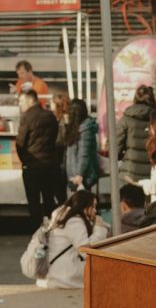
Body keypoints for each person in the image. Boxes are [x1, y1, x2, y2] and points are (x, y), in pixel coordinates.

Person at [37, 190, 109, 289]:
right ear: (82, 206)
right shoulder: (74, 222)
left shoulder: (65, 217)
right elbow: (86, 251)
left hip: (58, 269)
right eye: (92, 207)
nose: (95, 211)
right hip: (66, 274)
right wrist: (100, 228)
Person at [15, 89, 59, 227]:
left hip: (32, 166)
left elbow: (20, 143)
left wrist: (26, 161)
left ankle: (37, 231)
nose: (20, 104)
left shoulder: (27, 117)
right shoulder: (50, 116)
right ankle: (52, 229)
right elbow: (55, 138)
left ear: (30, 100)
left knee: (34, 202)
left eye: (21, 101)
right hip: (50, 165)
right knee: (49, 199)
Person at [116, 84, 156, 185]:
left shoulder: (126, 118)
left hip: (129, 172)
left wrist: (122, 156)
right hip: (151, 172)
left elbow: (116, 145)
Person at [64, 99, 100, 192]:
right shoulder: (77, 127)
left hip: (83, 175)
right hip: (76, 173)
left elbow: (84, 153)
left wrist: (80, 174)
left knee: (83, 202)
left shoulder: (85, 129)